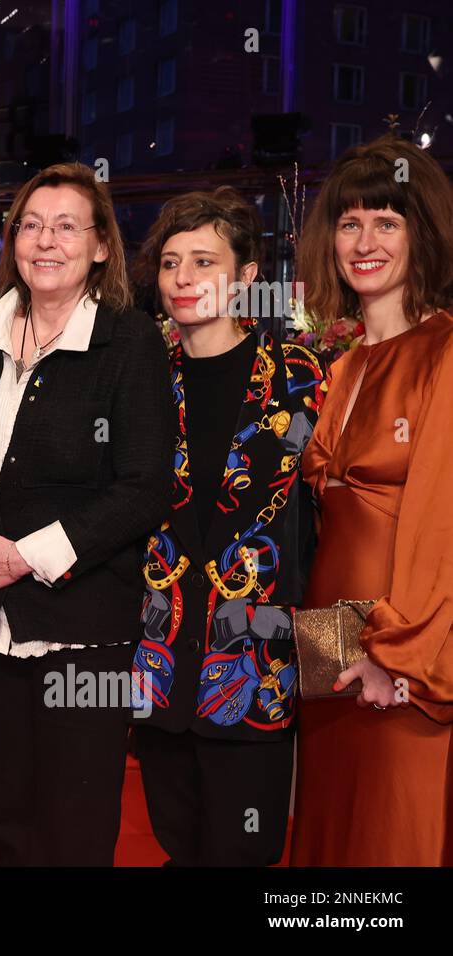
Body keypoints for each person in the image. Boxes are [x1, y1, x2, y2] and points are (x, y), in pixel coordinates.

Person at [0, 161, 173, 865]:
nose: (46, 241)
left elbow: (143, 487)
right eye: (31, 225)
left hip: (81, 632)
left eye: (67, 226)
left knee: (70, 829)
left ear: (101, 246)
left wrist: (26, 555)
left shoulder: (129, 344)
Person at [127, 187, 325, 866]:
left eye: (204, 262)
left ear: (245, 277)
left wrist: (344, 652)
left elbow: (340, 519)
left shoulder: (302, 379)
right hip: (157, 663)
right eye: (171, 262)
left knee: (247, 852)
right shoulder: (143, 376)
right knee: (177, 845)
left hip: (258, 664)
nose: (183, 279)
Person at [290, 135, 453, 866]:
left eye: (387, 222)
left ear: (424, 233)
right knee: (329, 841)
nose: (364, 241)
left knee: (391, 844)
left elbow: (443, 528)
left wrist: (398, 656)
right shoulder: (344, 361)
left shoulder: (445, 352)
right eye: (350, 223)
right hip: (327, 643)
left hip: (407, 658)